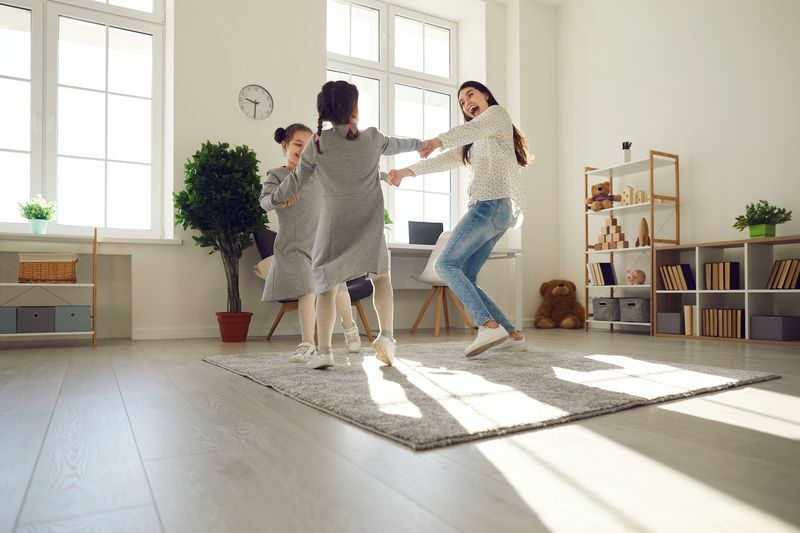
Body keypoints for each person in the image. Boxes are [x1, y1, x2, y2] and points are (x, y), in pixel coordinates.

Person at [263, 81, 424, 369]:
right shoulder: (373, 138)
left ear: (323, 112)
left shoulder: (318, 144)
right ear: (355, 108)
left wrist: (270, 200)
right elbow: (401, 145)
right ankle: (386, 337)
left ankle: (324, 351)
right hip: (370, 224)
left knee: (326, 287)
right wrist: (424, 145)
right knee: (381, 278)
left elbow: (294, 184)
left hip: (334, 227)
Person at [389, 80, 531, 357]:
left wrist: (436, 141)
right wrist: (405, 172)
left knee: (445, 264)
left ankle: (488, 326)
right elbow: (443, 161)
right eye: (462, 102)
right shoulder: (476, 141)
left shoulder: (497, 115)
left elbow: (470, 128)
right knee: (466, 274)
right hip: (497, 212)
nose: (466, 104)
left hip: (488, 206)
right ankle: (513, 335)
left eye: (470, 96)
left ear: (486, 95)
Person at [260, 123, 361, 363]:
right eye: (297, 145)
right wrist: (279, 200)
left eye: (308, 147)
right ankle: (308, 343)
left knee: (338, 292)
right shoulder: (276, 175)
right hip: (295, 245)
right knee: (308, 290)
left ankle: (350, 327)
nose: (302, 151)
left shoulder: (319, 172)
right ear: (285, 145)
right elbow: (265, 202)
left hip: (325, 241)